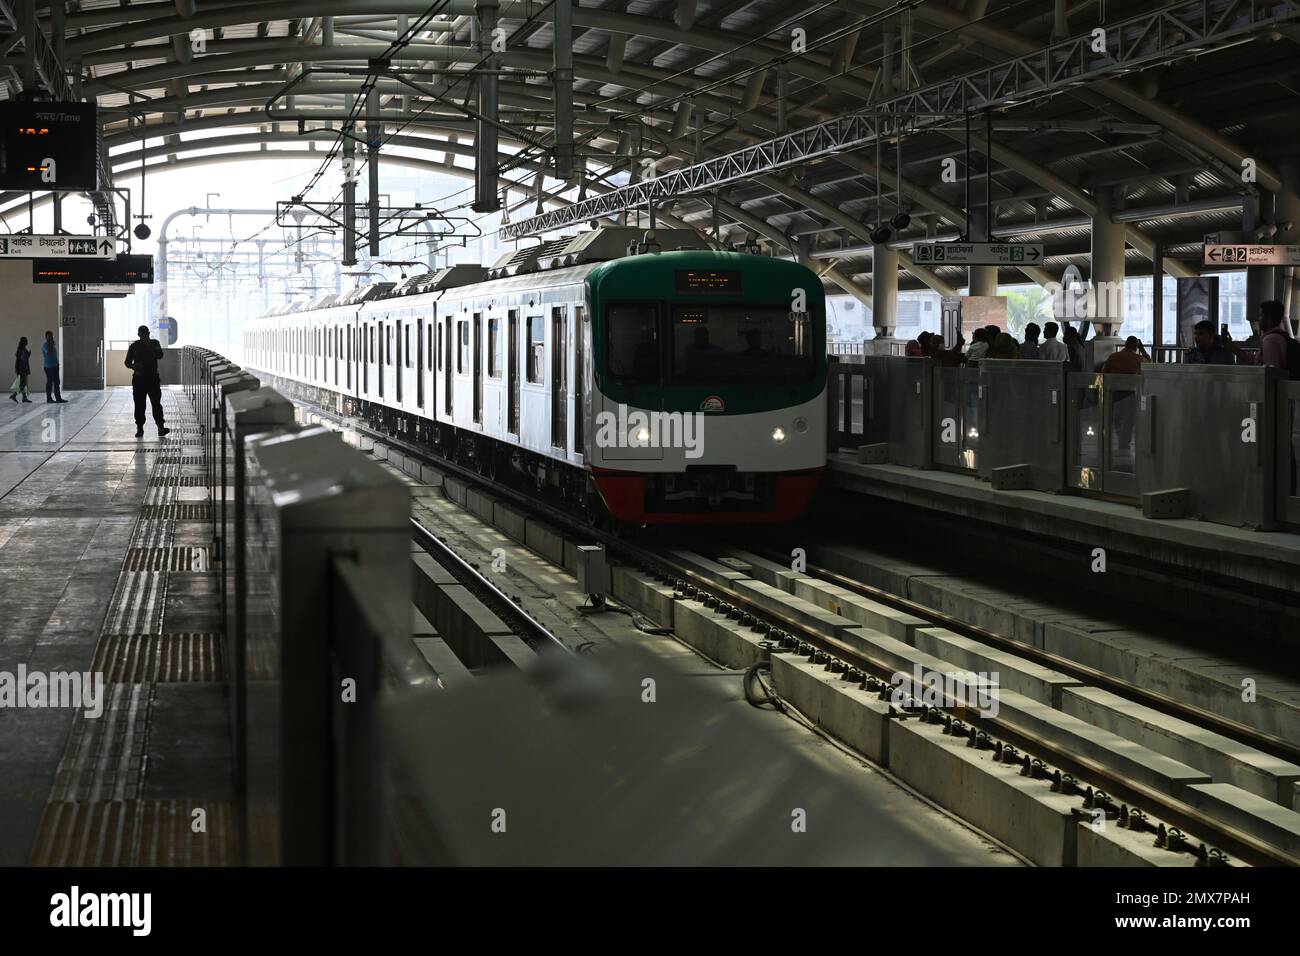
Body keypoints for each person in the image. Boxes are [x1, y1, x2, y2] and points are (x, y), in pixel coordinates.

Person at [125, 324, 170, 438]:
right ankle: (140, 428)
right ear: (139, 335)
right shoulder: (134, 346)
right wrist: (134, 366)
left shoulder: (155, 343)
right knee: (139, 405)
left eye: (146, 334)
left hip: (152, 378)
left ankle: (160, 427)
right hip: (139, 379)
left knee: (156, 404)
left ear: (149, 334)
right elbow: (127, 362)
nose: (144, 336)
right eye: (142, 334)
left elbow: (160, 355)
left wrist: (150, 346)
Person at [1259, 300, 1300, 378]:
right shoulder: (1283, 337)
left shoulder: (1270, 340)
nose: (1259, 319)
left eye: (1261, 315)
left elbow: (1272, 373)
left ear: (1269, 318)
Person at [41, 330, 66, 402]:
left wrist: (57, 363)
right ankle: (49, 398)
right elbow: (49, 353)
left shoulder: (53, 344)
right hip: (49, 367)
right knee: (49, 383)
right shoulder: (45, 345)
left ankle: (58, 398)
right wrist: (51, 345)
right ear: (46, 337)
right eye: (49, 336)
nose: (51, 337)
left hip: (55, 366)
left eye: (52, 336)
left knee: (57, 382)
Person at [10, 336, 31, 402]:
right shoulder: (20, 350)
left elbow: (25, 359)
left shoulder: (23, 349)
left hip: (24, 368)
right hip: (21, 369)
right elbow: (18, 360)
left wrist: (28, 355)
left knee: (22, 383)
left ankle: (23, 397)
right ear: (23, 342)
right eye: (26, 341)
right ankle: (15, 395)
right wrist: (16, 368)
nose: (27, 342)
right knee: (22, 383)